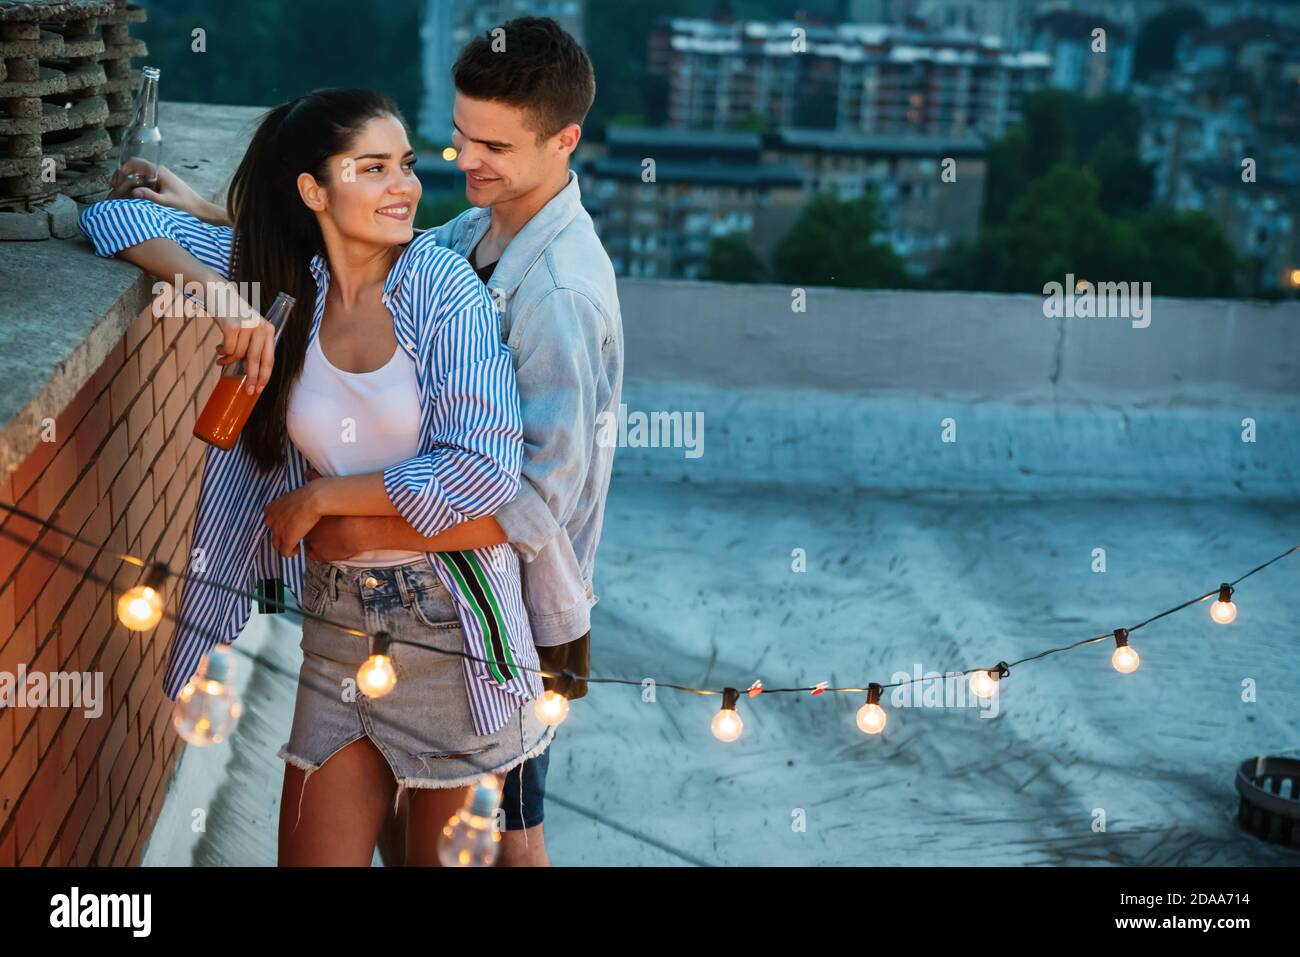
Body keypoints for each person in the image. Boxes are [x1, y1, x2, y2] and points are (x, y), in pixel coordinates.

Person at [78, 87, 553, 866]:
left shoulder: (441, 292)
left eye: (404, 164)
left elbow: (482, 469)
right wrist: (227, 301)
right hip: (337, 627)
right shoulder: (286, 283)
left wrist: (326, 495)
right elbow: (113, 219)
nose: (403, 185)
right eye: (372, 168)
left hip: (452, 630)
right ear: (313, 190)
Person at [305, 16, 623, 866]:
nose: (467, 160)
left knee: (511, 851)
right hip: (441, 591)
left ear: (565, 142)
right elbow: (381, 249)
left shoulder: (557, 294)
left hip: (513, 613)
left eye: (495, 147)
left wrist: (365, 529)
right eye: (458, 137)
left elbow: (537, 503)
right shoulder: (480, 234)